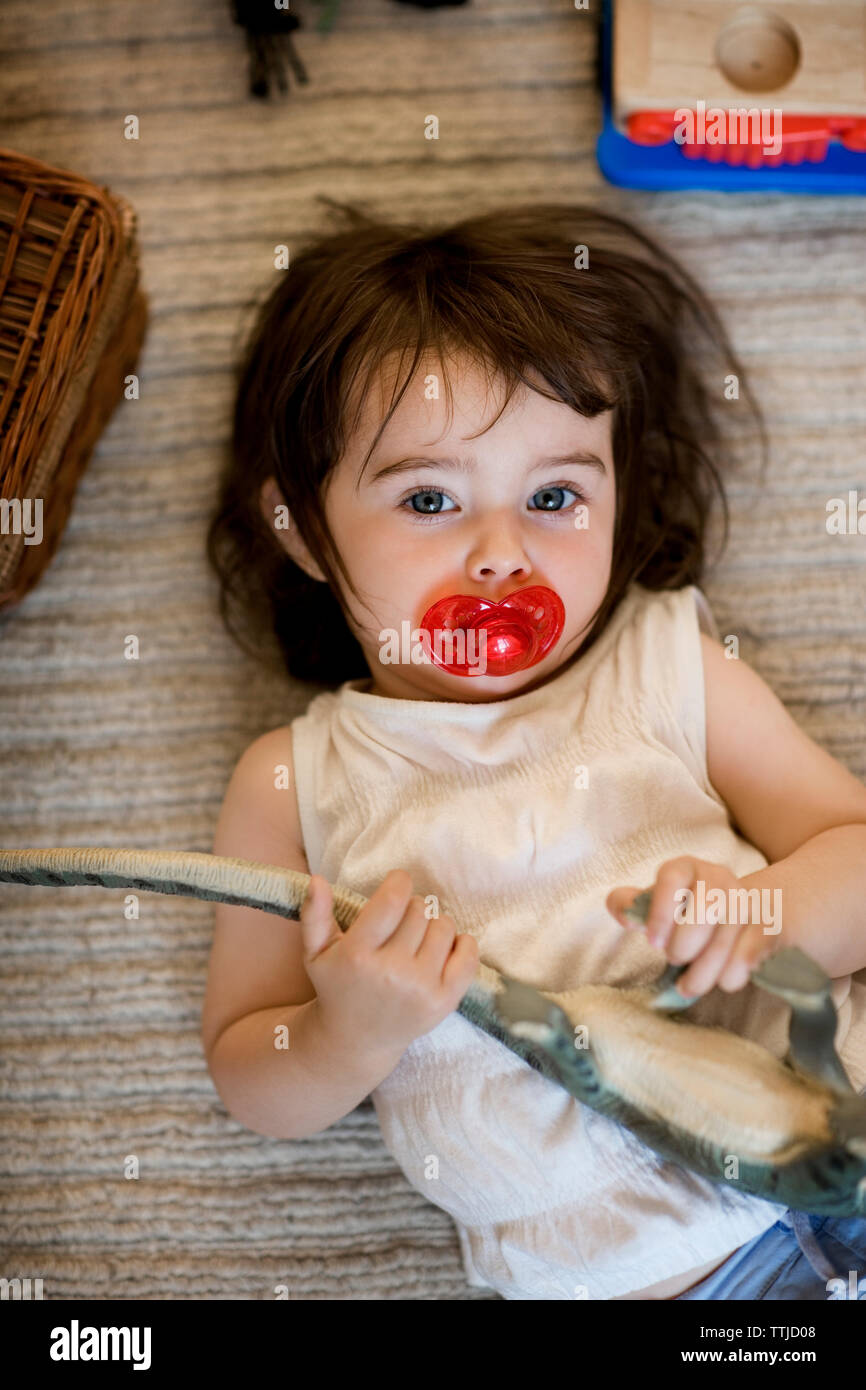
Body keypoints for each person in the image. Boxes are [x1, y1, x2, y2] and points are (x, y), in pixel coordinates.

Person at [202, 200, 866, 1300]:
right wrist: (346, 1034)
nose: (501, 554)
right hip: (648, 1280)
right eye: (428, 498)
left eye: (553, 495)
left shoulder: (667, 668)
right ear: (303, 531)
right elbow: (247, 1070)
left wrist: (764, 912)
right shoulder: (292, 779)